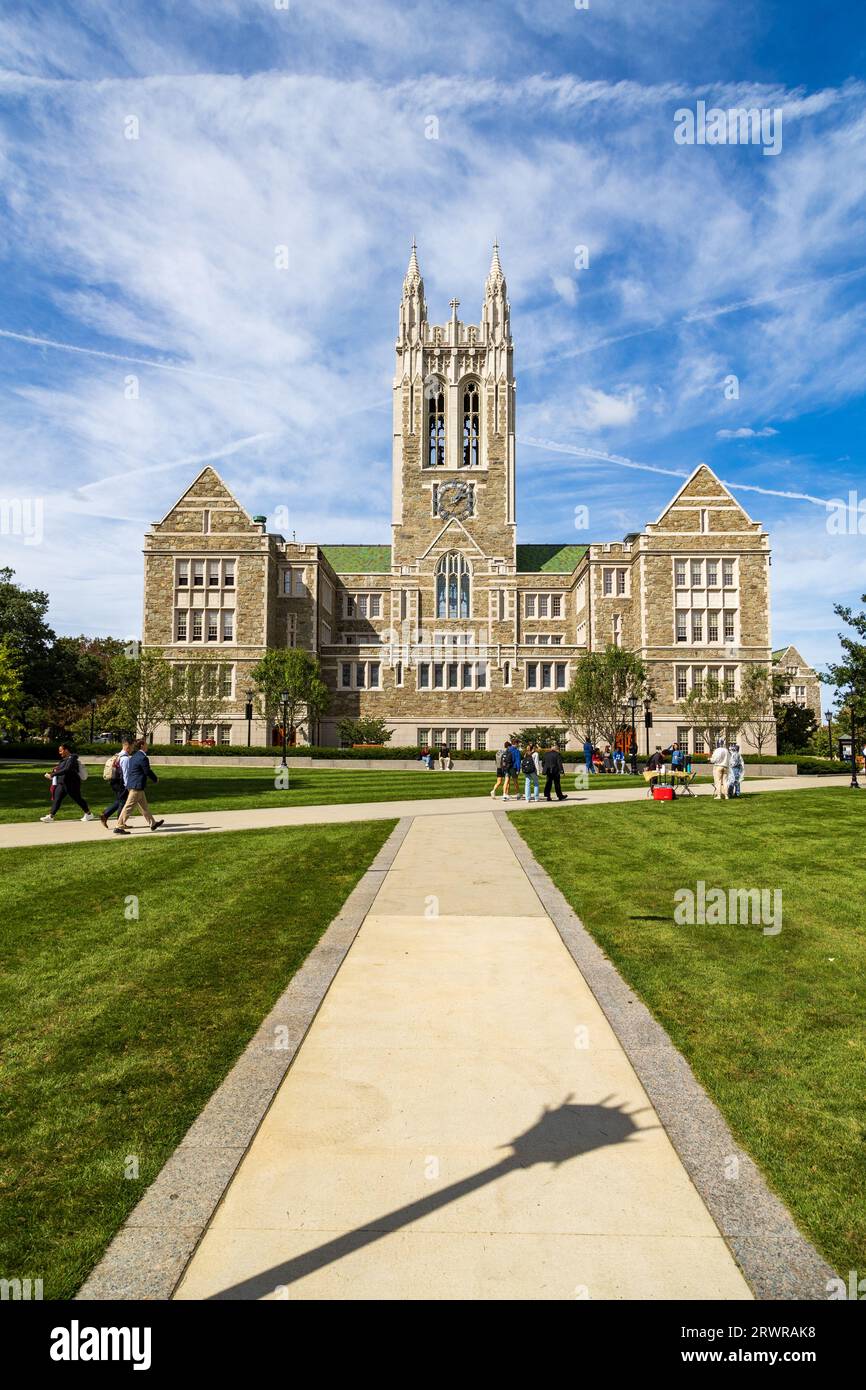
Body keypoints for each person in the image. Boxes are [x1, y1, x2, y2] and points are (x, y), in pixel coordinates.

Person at [114, 738, 164, 834]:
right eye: (146, 744)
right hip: (136, 786)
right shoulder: (143, 758)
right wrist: (155, 779)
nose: (147, 746)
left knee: (144, 807)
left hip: (134, 785)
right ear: (142, 746)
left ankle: (153, 824)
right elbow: (147, 771)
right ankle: (119, 826)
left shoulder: (134, 756)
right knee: (128, 806)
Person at [39, 744, 95, 822]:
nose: (59, 752)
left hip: (72, 783)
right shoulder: (65, 759)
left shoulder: (72, 759)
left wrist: (52, 774)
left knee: (78, 799)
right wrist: (55, 770)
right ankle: (51, 816)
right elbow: (62, 769)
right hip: (62, 783)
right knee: (57, 799)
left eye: (61, 750)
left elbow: (67, 769)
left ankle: (89, 814)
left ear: (66, 750)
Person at [100, 737, 133, 827]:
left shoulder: (117, 755)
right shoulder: (125, 758)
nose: (133, 749)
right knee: (123, 802)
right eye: (132, 746)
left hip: (113, 781)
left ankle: (105, 815)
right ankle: (120, 823)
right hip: (120, 783)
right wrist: (128, 786)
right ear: (127, 746)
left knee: (120, 800)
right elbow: (126, 774)